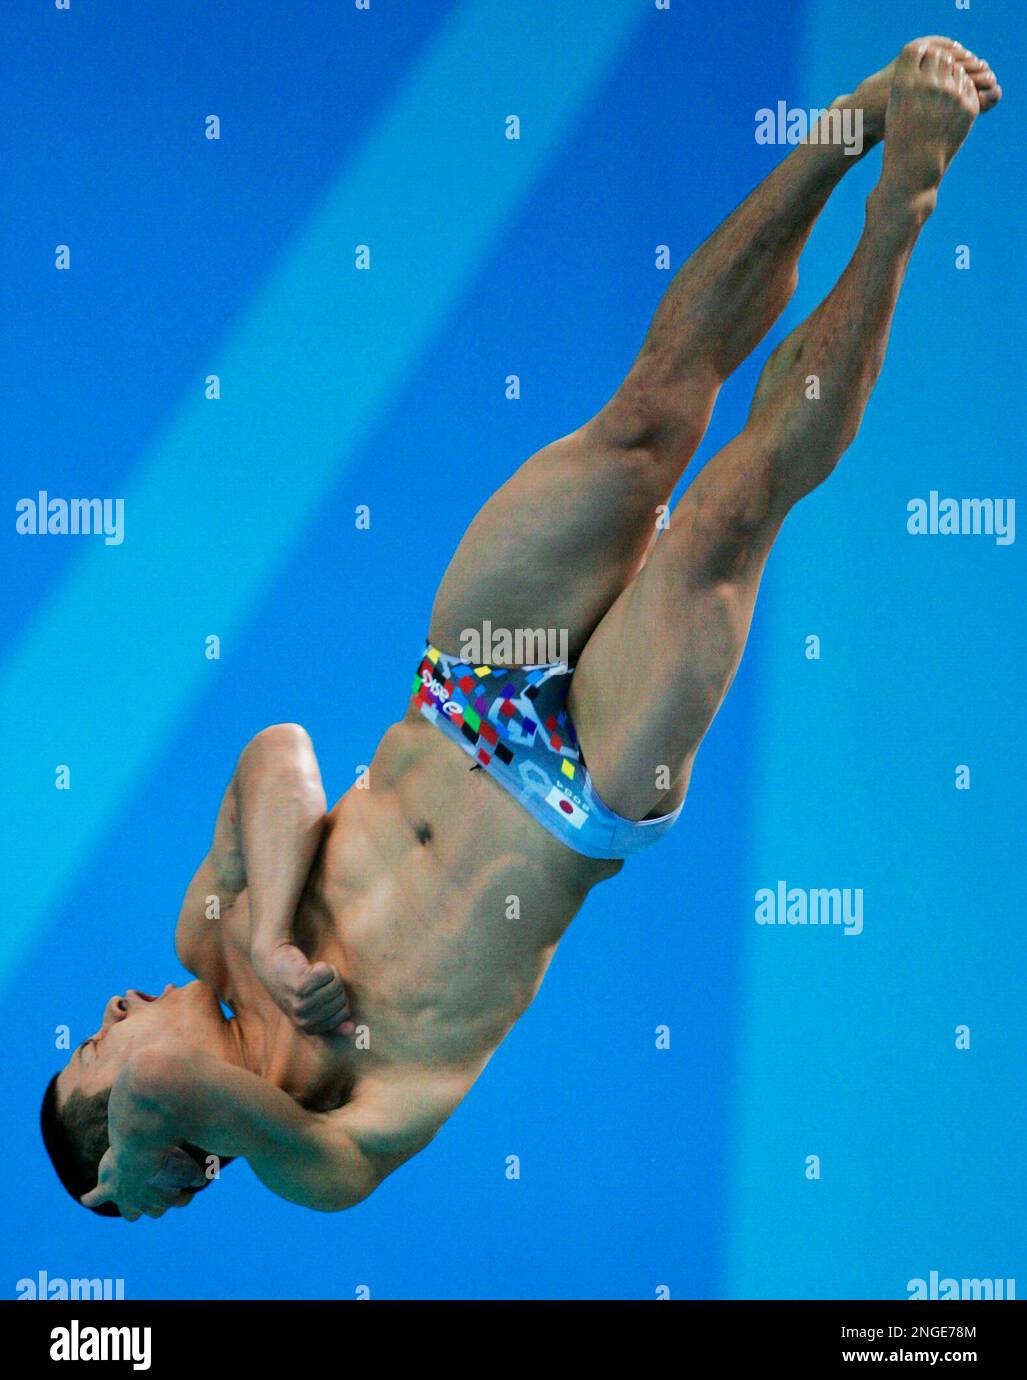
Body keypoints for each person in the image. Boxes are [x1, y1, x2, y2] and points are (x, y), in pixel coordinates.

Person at [41, 38, 1000, 1218]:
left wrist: (279, 941)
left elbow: (278, 752)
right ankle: (908, 186)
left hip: (466, 692)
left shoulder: (207, 929)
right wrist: (137, 1139)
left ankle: (848, 130)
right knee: (728, 513)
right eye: (95, 1054)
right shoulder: (320, 1152)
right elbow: (178, 1084)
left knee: (649, 409)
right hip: (578, 789)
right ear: (163, 1149)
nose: (112, 1017)